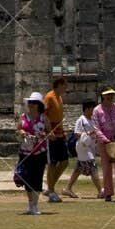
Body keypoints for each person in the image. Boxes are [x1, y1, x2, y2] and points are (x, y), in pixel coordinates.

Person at [15, 92, 50, 215]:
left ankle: (35, 205)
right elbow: (18, 129)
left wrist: (43, 135)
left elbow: (50, 133)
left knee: (37, 178)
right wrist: (23, 133)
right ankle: (31, 204)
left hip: (39, 152)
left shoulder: (43, 118)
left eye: (34, 103)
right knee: (27, 178)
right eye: (30, 102)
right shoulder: (24, 116)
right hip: (25, 152)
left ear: (38, 105)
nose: (31, 105)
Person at [65, 98, 102, 198]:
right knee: (93, 165)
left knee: (78, 169)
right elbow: (77, 134)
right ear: (87, 109)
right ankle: (100, 190)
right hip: (83, 147)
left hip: (90, 146)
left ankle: (68, 188)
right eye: (92, 108)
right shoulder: (81, 120)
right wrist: (89, 133)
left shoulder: (93, 120)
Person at [43, 74, 71, 203]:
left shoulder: (59, 97)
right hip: (51, 134)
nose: (66, 88)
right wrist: (49, 131)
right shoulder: (49, 97)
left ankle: (50, 186)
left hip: (60, 133)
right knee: (52, 163)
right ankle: (52, 190)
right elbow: (44, 115)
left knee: (64, 161)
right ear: (59, 85)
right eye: (65, 85)